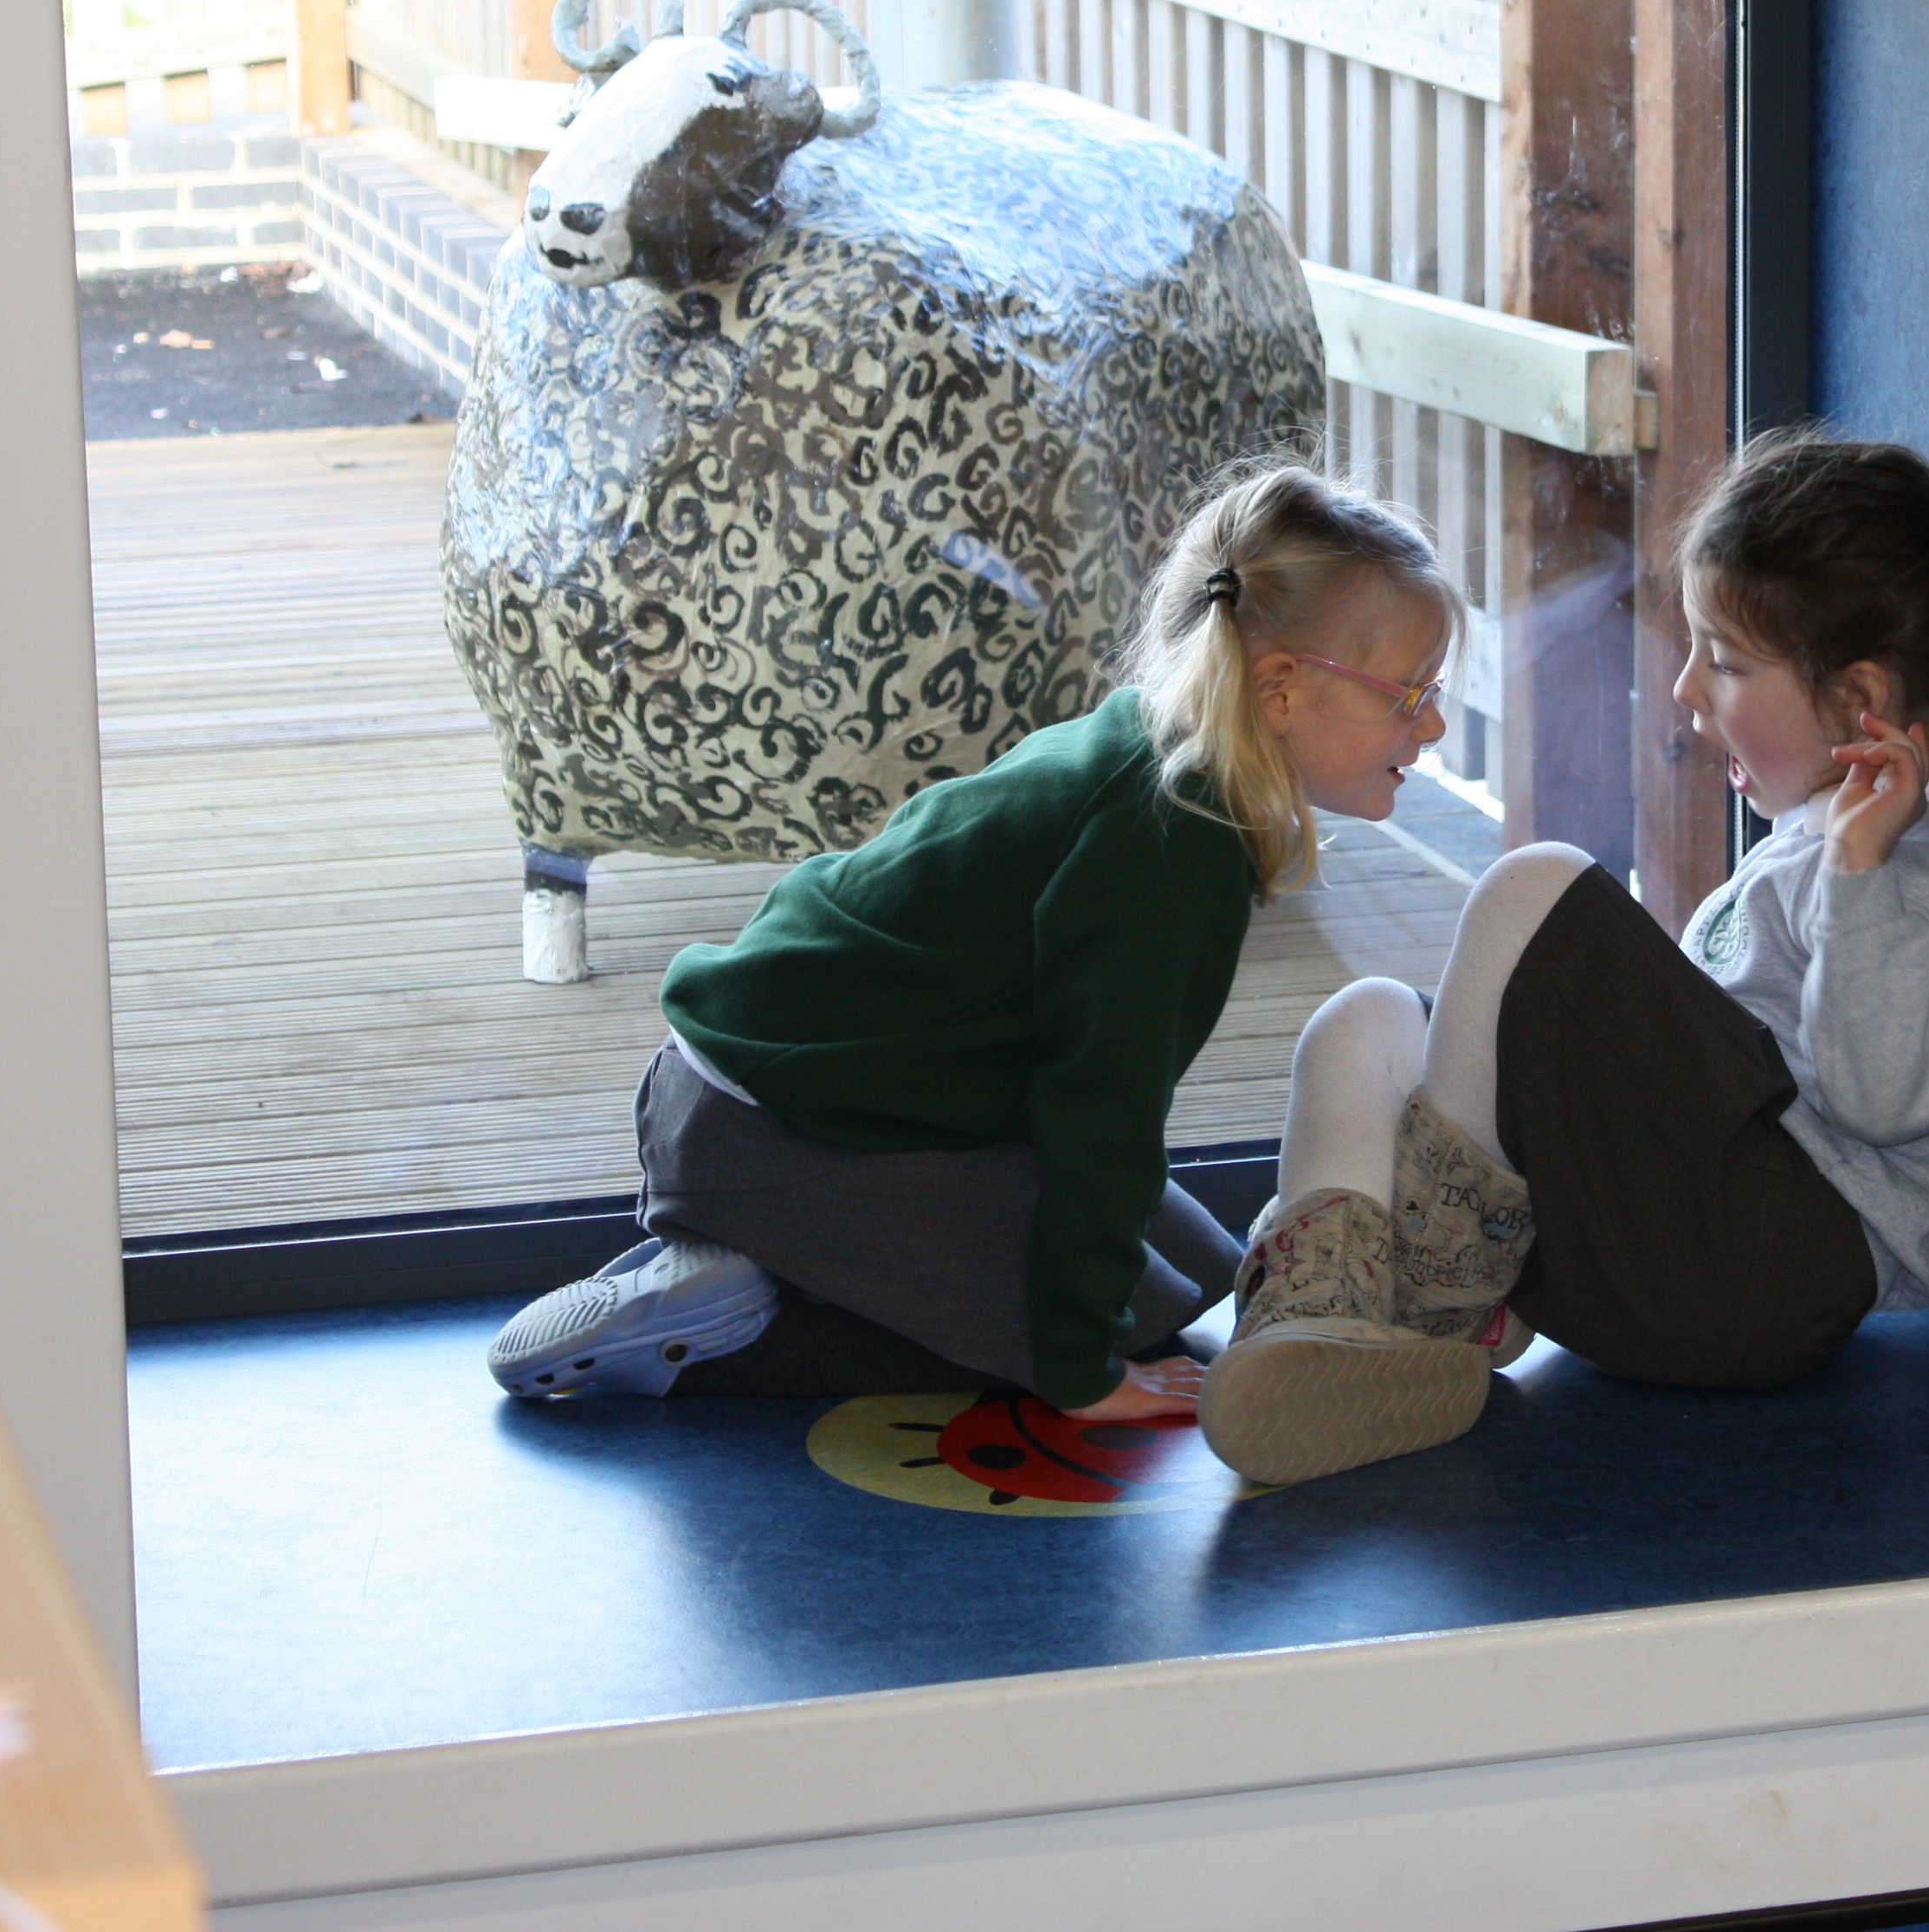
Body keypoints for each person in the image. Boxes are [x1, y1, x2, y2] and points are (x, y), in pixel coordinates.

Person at [485, 461, 1464, 1426]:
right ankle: (725, 1322)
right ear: (1282, 689)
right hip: (771, 1127)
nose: (1433, 721)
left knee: (1174, 1284)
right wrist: (1078, 1370)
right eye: (1408, 690)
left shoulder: (1158, 756)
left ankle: (767, 1256)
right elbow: (1102, 1113)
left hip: (795, 1090)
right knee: (1079, 1337)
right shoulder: (1169, 843)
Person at [1197, 430, 1929, 1485]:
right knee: (1366, 1019)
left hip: (1775, 1271)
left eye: (1729, 661)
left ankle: (1434, 1294)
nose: (1691, 690)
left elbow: (1889, 1103)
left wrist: (1857, 878)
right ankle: (1316, 1330)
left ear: (1862, 702)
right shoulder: (1833, 832)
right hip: (1697, 1244)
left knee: (1535, 886)